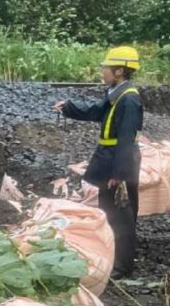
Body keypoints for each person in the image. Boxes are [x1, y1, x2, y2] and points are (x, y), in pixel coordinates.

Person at [54, 46, 144, 278]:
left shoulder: (129, 100)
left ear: (120, 71)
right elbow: (95, 111)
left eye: (106, 68)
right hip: (110, 159)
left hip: (117, 162)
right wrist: (68, 108)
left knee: (121, 215)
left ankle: (123, 267)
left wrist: (119, 174)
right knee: (111, 211)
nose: (102, 71)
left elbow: (125, 139)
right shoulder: (116, 95)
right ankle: (117, 256)